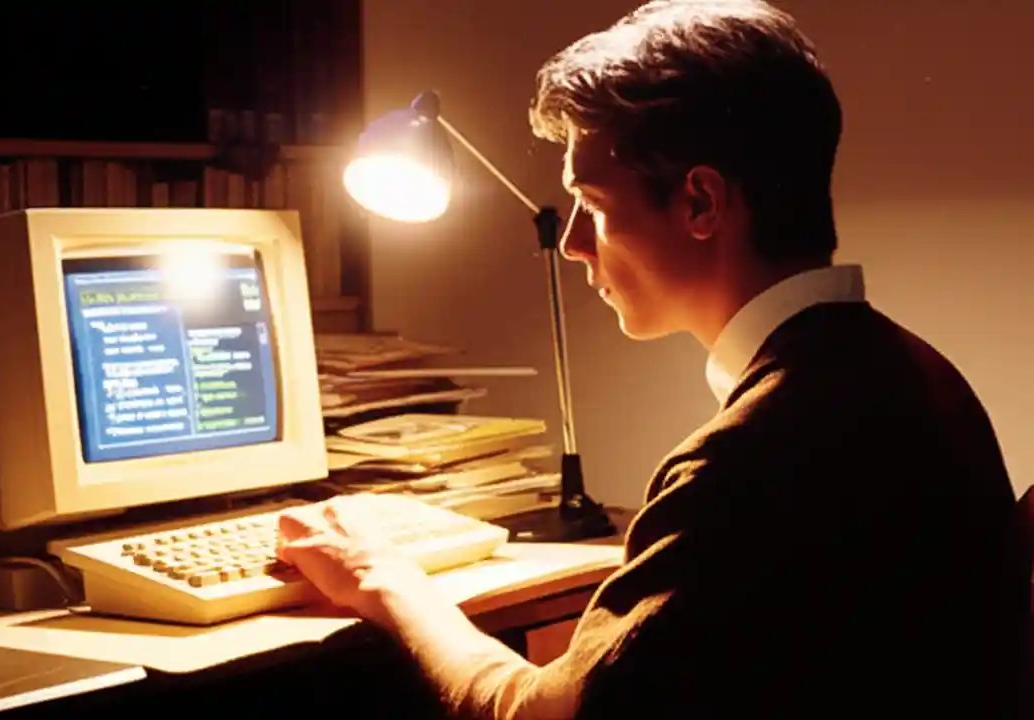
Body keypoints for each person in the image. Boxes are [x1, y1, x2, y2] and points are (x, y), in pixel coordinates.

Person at [277, 1, 1027, 717]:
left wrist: (382, 577)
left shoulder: (745, 459)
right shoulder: (916, 374)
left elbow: (545, 716)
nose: (573, 242)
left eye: (595, 204)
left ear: (701, 203)